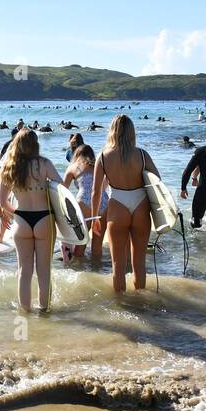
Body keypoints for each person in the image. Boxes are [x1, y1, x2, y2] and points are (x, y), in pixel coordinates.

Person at [0, 129, 61, 312]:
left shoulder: (9, 167)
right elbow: (61, 192)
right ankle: (44, 312)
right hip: (44, 219)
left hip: (21, 221)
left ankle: (25, 313)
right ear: (36, 144)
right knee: (44, 271)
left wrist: (17, 214)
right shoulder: (45, 163)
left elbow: (2, 202)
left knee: (24, 272)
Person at [93, 115, 161, 293]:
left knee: (118, 264)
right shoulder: (142, 155)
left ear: (112, 131)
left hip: (117, 206)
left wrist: (94, 218)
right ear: (132, 131)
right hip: (140, 206)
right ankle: (140, 303)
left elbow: (96, 191)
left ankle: (121, 305)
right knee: (139, 262)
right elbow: (158, 182)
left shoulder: (102, 156)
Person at [63, 142, 106, 264]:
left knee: (80, 243)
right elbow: (104, 185)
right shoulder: (99, 165)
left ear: (76, 155)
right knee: (97, 245)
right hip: (103, 200)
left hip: (84, 201)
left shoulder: (73, 167)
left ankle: (78, 270)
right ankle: (96, 269)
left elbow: (63, 190)